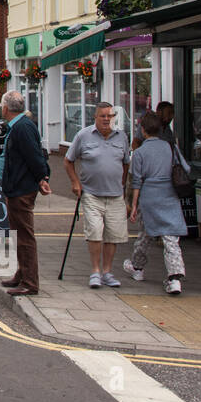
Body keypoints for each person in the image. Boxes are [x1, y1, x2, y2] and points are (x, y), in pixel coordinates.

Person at [64, 101, 130, 288]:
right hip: (91, 193)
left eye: (110, 116)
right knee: (94, 232)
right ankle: (95, 271)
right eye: (103, 116)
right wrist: (75, 182)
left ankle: (107, 272)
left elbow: (126, 163)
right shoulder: (83, 136)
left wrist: (123, 185)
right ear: (96, 117)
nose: (106, 119)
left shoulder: (121, 137)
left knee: (113, 235)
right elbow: (68, 161)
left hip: (116, 194)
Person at [126, 110, 190, 295]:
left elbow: (136, 182)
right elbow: (186, 168)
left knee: (146, 234)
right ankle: (175, 277)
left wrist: (133, 205)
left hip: (149, 197)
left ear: (143, 130)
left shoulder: (139, 153)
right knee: (171, 237)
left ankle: (137, 267)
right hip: (169, 195)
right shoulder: (170, 147)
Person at [0, 91, 52, 296]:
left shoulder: (22, 128)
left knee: (24, 237)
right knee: (18, 235)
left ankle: (30, 283)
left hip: (21, 189)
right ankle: (21, 274)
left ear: (5, 108)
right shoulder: (21, 126)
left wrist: (43, 179)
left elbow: (35, 157)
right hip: (16, 187)